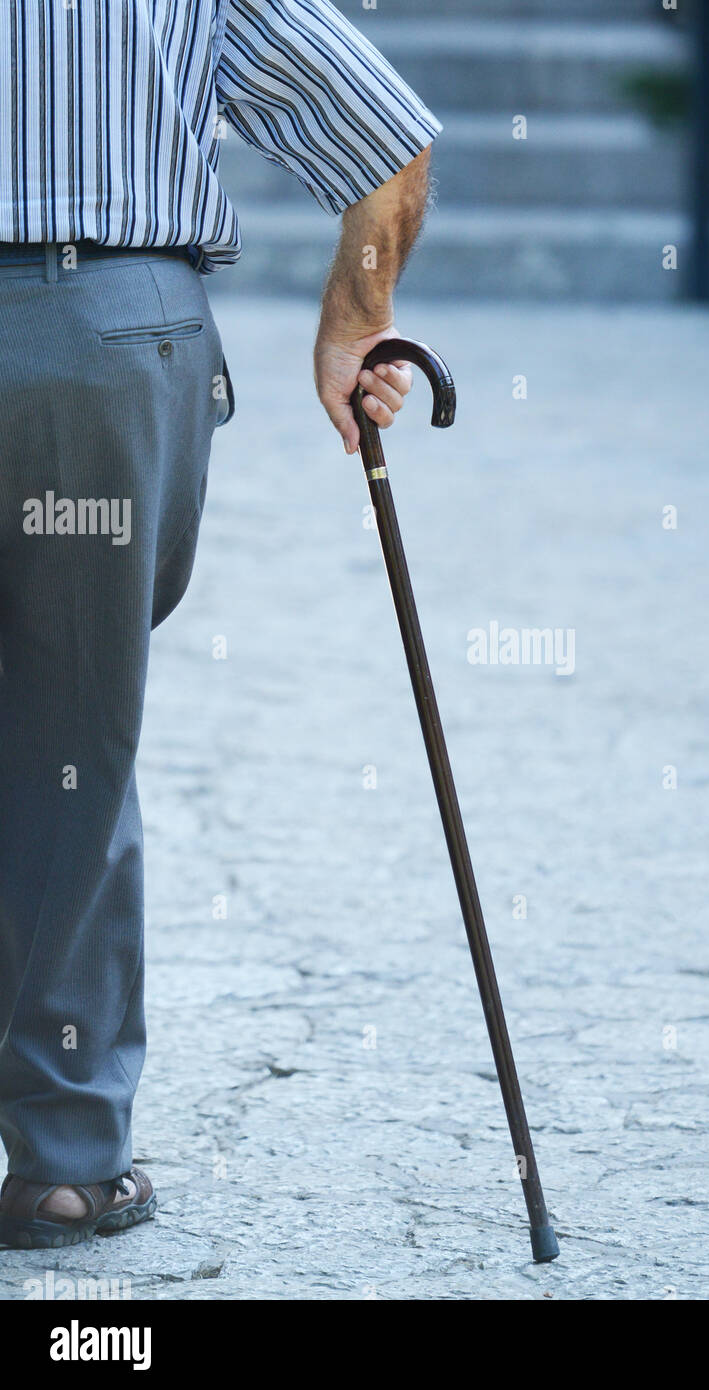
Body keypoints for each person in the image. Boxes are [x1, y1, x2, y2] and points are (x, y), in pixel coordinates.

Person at [0, 0, 439, 1250]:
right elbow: (385, 138)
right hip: (104, 343)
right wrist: (356, 319)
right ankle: (64, 1166)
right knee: (67, 748)